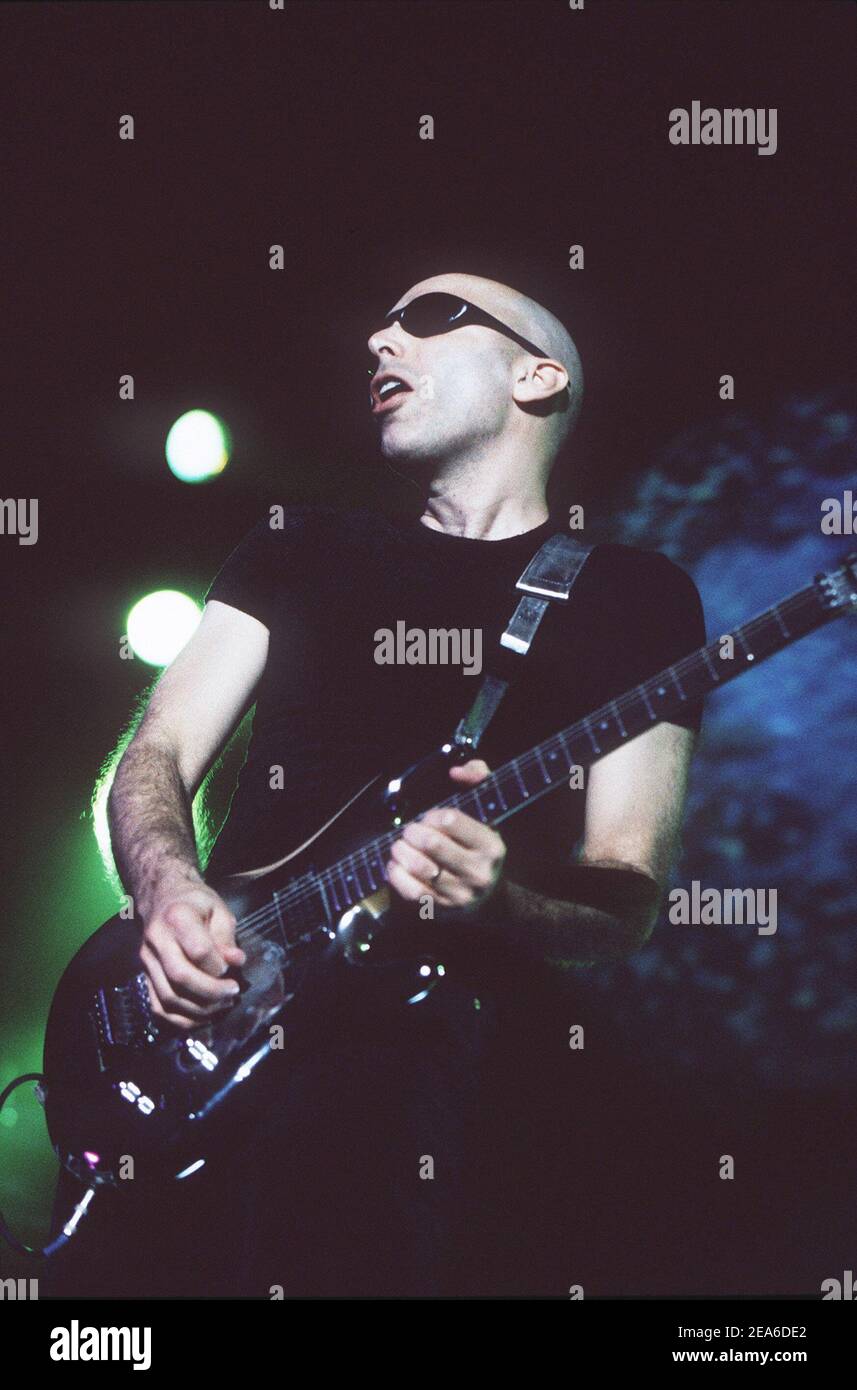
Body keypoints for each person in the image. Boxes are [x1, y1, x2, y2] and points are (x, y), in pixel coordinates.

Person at [45, 272, 705, 1298]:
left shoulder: (636, 597)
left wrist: (502, 899)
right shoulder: (298, 546)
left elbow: (624, 892)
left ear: (537, 376)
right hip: (187, 1031)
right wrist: (170, 893)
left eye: (430, 318)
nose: (379, 338)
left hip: (412, 1091)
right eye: (381, 323)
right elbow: (157, 756)